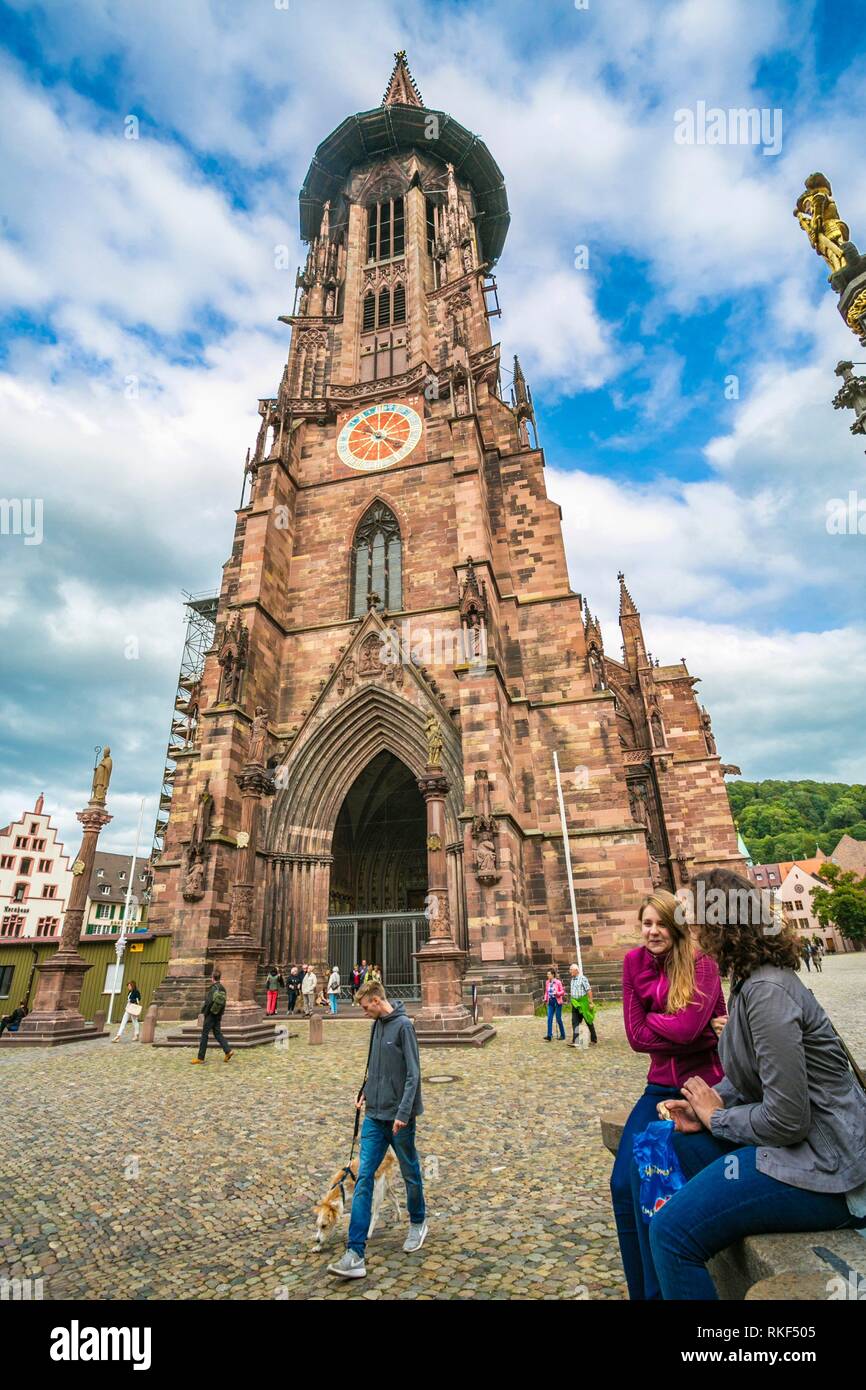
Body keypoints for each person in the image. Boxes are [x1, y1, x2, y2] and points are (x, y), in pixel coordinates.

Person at [646, 867, 866, 1301]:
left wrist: (718, 1117)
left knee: (670, 1231)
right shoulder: (748, 982)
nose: (685, 924)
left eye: (692, 913)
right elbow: (754, 1079)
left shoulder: (767, 991)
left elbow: (787, 1118)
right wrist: (703, 1110)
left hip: (828, 1166)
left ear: (719, 921)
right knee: (685, 1145)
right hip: (800, 1149)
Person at [612, 890, 726, 1301]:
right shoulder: (632, 963)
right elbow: (634, 1037)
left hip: (705, 1087)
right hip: (658, 1087)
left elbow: (687, 1030)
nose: (653, 931)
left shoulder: (703, 964)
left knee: (651, 1182)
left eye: (661, 923)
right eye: (647, 923)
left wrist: (661, 1022)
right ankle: (644, 1293)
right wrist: (677, 1024)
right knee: (622, 1187)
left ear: (677, 926)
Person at [327, 979, 426, 1280]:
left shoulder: (404, 1026)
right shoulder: (376, 1026)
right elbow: (376, 1067)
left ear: (374, 999)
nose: (362, 1013)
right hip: (374, 1116)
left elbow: (413, 1074)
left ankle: (418, 1222)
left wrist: (404, 1112)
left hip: (399, 1118)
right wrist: (365, 1091)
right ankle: (355, 1252)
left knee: (410, 1172)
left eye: (363, 1007)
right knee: (363, 1178)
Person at [191, 970, 233, 1064]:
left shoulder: (213, 988)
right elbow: (224, 1003)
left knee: (204, 1035)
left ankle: (200, 1058)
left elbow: (208, 1002)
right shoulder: (223, 988)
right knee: (218, 1034)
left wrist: (204, 1013)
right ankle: (228, 1051)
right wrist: (220, 1013)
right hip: (218, 1015)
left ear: (212, 978)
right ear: (219, 977)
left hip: (210, 1015)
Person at [567, 963, 598, 1046]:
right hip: (575, 1003)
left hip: (583, 1003)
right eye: (570, 970)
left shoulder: (583, 978)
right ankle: (576, 1041)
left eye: (571, 970)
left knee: (588, 1020)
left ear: (576, 970)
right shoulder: (572, 980)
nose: (570, 971)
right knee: (575, 1021)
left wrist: (591, 1002)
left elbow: (588, 990)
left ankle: (594, 1039)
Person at [543, 968, 565, 1041]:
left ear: (553, 975)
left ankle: (563, 1035)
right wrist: (545, 998)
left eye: (549, 974)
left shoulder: (558, 982)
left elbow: (562, 992)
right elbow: (546, 992)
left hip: (557, 1002)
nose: (547, 975)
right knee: (549, 1018)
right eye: (547, 974)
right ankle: (549, 1035)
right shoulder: (547, 982)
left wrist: (557, 993)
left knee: (558, 1019)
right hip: (550, 1002)